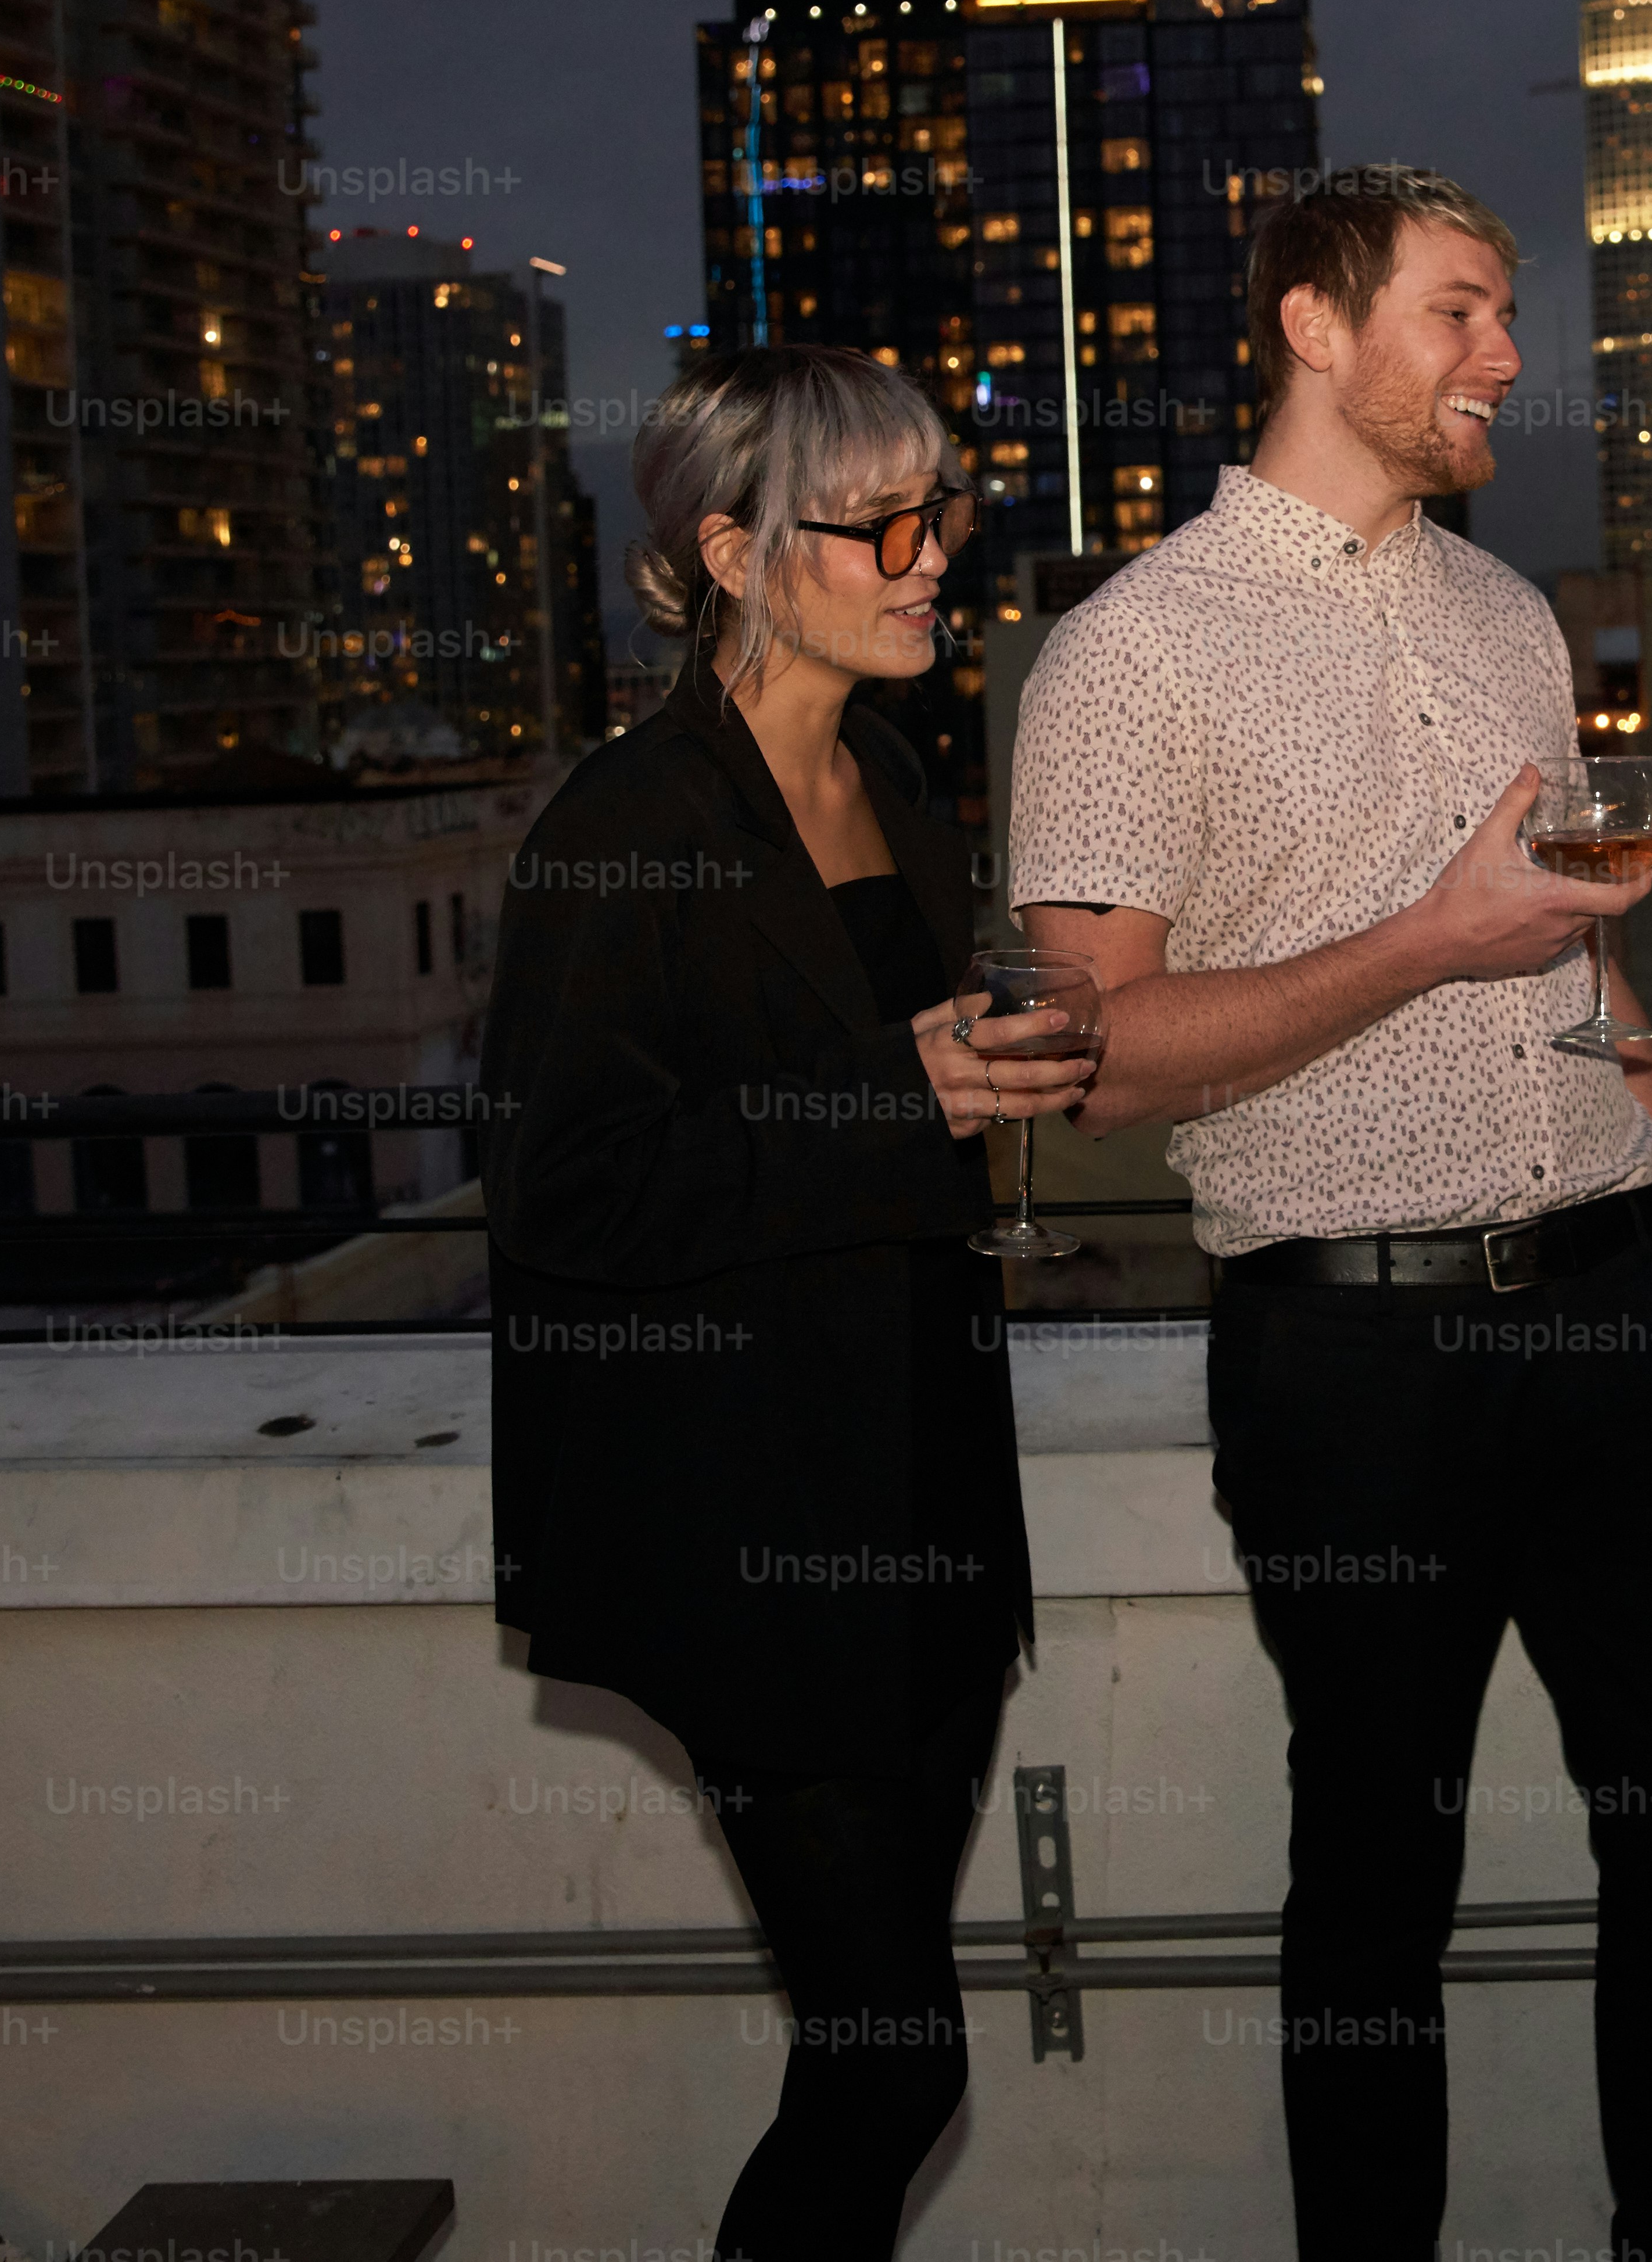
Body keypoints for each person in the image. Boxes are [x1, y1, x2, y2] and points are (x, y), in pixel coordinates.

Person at [1009, 164, 1652, 2262]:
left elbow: (1580, 953)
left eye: (1507, 318)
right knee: (1375, 1877)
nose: (1509, 361)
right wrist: (1428, 941)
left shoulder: (1508, 612)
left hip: (1629, 1310)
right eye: (1458, 313)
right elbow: (1095, 1053)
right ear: (1313, 326)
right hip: (1355, 1352)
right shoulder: (1129, 653)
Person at [478, 346, 1096, 2262]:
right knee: (896, 2062)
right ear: (736, 553)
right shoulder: (624, 825)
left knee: (873, 2053)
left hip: (917, 1497)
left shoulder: (896, 769)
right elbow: (563, 1188)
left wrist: (985, 1078)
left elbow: (884, 1087)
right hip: (748, 1530)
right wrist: (893, 1096)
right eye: (883, 526)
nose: (935, 560)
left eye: (950, 511)